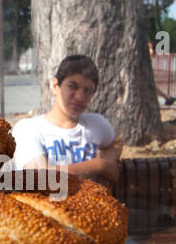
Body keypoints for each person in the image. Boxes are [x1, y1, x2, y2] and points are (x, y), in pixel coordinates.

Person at [11, 54, 121, 189]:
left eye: (87, 90)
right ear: (55, 86)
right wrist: (99, 165)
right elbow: (40, 178)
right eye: (73, 86)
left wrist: (110, 160)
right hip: (45, 207)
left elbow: (116, 143)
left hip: (91, 206)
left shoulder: (97, 124)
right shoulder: (28, 129)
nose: (80, 97)